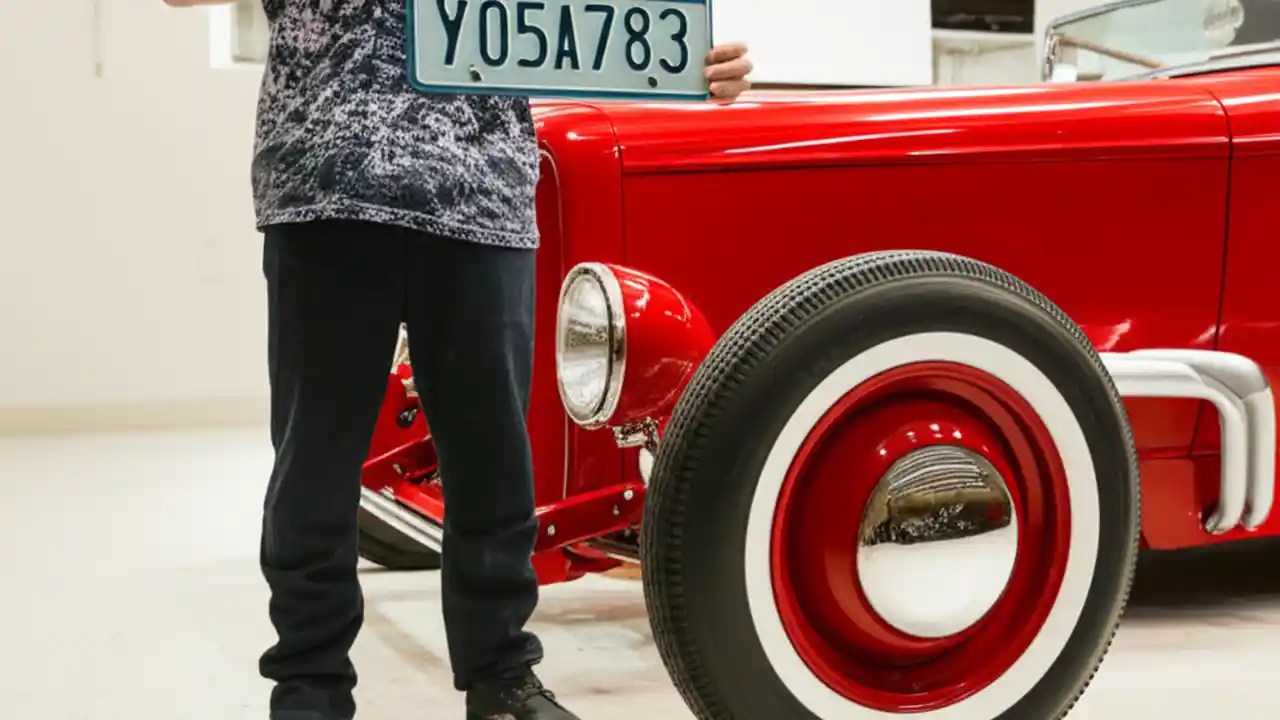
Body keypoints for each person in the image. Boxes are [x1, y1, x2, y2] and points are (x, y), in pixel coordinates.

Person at [164, 1, 753, 718]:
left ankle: (500, 678)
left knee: (494, 462)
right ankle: (309, 688)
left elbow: (586, 22)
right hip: (327, 186)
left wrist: (685, 61)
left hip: (483, 193)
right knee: (314, 462)